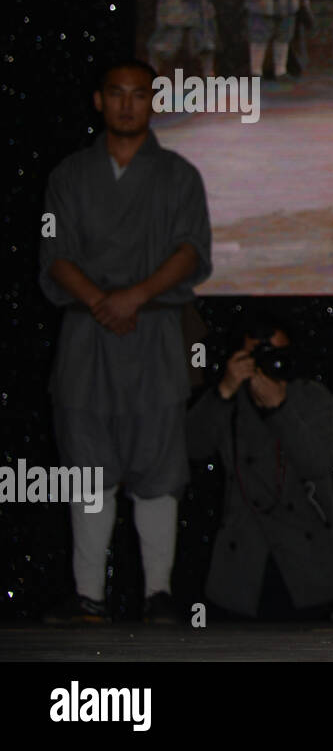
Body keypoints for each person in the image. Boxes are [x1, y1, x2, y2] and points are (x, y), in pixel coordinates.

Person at [39, 59, 213, 624]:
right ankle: (88, 596)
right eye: (116, 94)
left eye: (139, 95)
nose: (127, 105)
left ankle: (157, 593)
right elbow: (56, 254)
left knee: (157, 468)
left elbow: (191, 250)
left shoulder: (180, 176)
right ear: (99, 101)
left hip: (155, 333)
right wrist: (100, 300)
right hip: (88, 338)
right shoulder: (67, 175)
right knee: (89, 468)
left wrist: (133, 296)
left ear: (152, 103)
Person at [186, 310, 333, 619]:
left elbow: (317, 462)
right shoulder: (229, 401)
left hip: (305, 556)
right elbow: (192, 447)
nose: (268, 361)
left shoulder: (314, 397)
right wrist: (224, 390)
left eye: (277, 353)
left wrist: (279, 409)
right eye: (257, 354)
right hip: (244, 555)